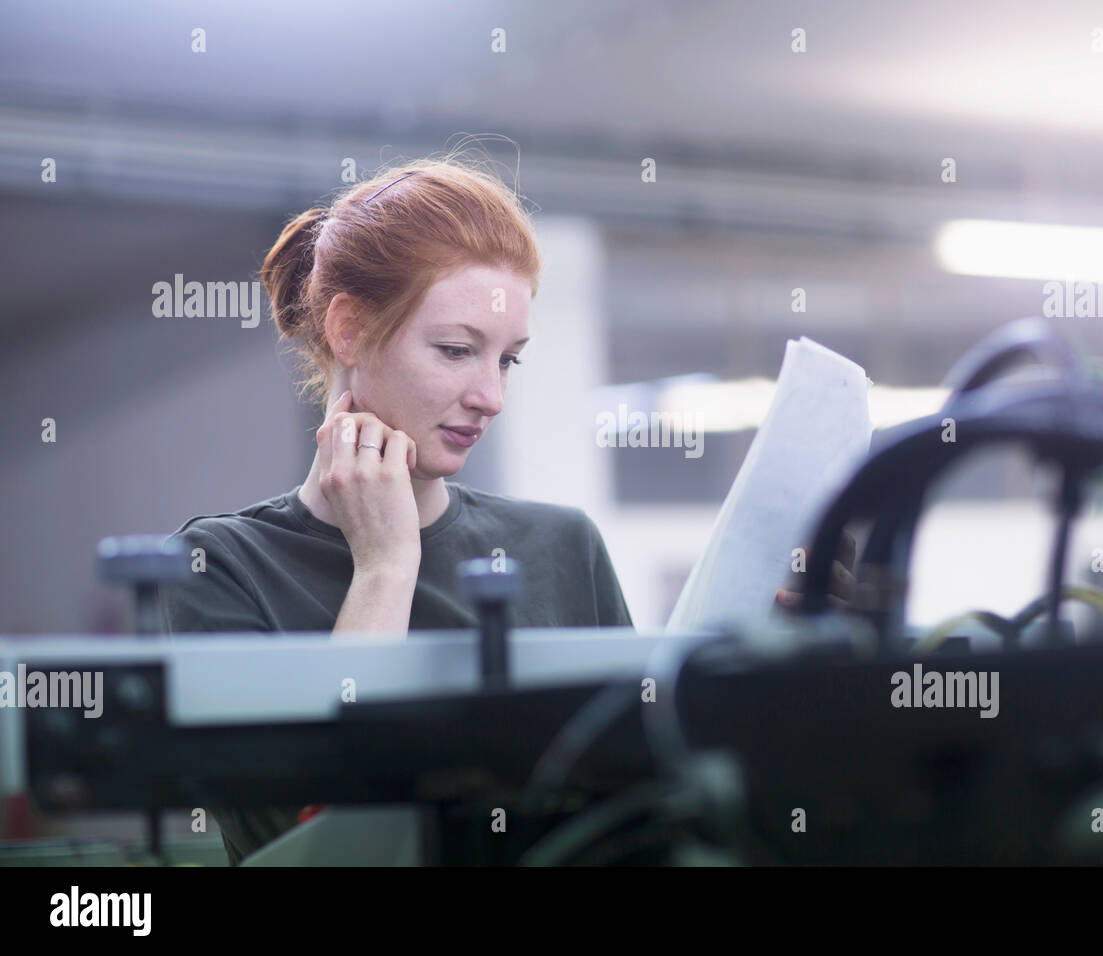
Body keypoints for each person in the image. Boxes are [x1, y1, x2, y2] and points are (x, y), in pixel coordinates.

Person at [162, 154, 857, 865]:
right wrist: (384, 568)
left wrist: (767, 675)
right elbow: (304, 850)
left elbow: (645, 808)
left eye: (508, 360)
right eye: (458, 350)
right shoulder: (221, 567)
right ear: (349, 331)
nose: (491, 396)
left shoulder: (561, 546)